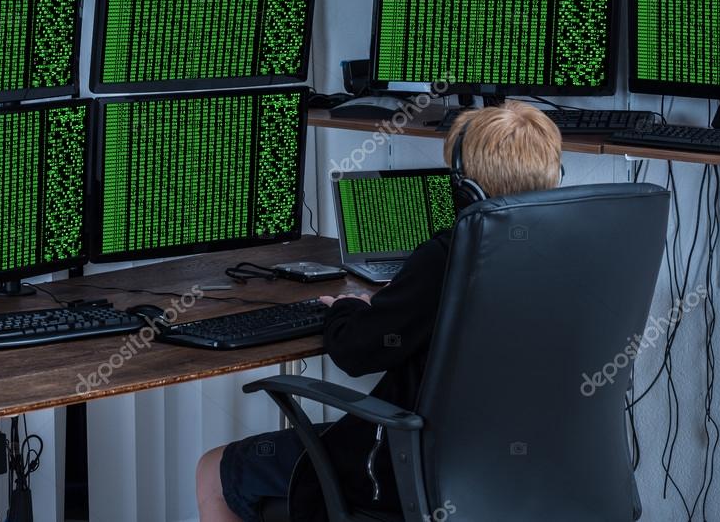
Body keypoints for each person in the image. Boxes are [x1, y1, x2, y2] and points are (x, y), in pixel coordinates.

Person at [196, 100, 563, 522]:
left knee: (214, 470)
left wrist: (349, 309)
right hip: (518, 471)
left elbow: (356, 353)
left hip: (405, 471)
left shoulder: (452, 257)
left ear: (466, 190)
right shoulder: (573, 251)